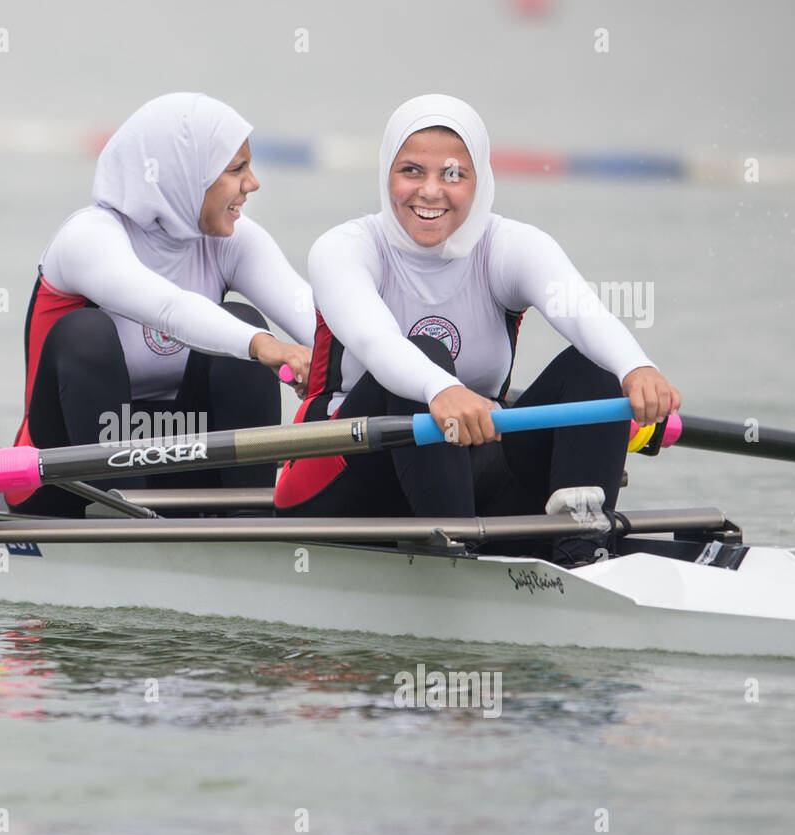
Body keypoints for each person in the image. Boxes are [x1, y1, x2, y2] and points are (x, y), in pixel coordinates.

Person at [275, 93, 681, 565]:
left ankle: (582, 553)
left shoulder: (510, 246)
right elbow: (375, 342)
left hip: (465, 472)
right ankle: (458, 561)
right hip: (336, 479)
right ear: (386, 173)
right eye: (411, 171)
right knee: (422, 355)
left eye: (453, 174)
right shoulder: (344, 248)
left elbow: (583, 312)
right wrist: (440, 388)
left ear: (479, 179)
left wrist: (637, 368)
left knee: (594, 370)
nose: (430, 190)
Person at [7, 92, 315, 517]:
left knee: (241, 322)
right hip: (65, 477)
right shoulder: (88, 238)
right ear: (184, 173)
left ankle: (250, 523)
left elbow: (322, 325)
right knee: (86, 334)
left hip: (184, 460)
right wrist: (265, 345)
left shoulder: (231, 239)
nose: (253, 183)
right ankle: (126, 520)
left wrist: (428, 384)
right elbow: (169, 308)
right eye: (236, 169)